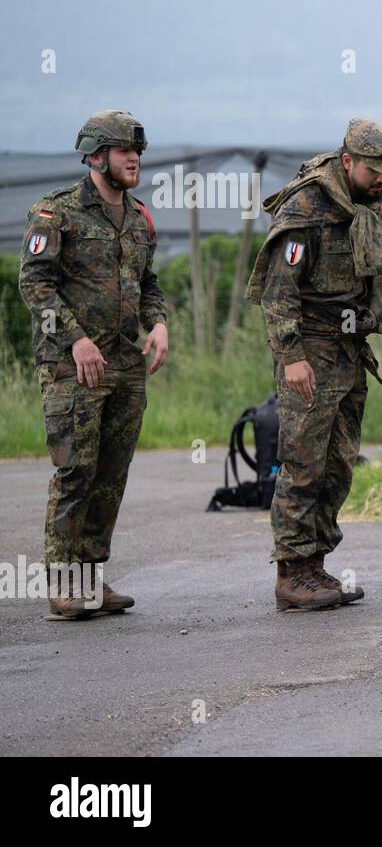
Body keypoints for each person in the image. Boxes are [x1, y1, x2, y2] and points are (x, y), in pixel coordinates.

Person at [246, 118, 382, 611]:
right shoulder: (307, 207)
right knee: (302, 462)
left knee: (339, 463)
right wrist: (291, 358)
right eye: (372, 169)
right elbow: (278, 293)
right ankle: (291, 575)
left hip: (350, 347)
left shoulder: (373, 204)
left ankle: (315, 567)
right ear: (347, 162)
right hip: (310, 348)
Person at [18, 110, 169, 619]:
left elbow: (149, 282)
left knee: (111, 473)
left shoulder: (140, 216)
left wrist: (159, 323)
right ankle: (62, 585)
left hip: (125, 363)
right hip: (72, 365)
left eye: (138, 152)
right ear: (95, 156)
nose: (134, 159)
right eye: (125, 151)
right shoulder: (55, 212)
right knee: (75, 472)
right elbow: (35, 283)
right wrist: (76, 339)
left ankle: (91, 577)